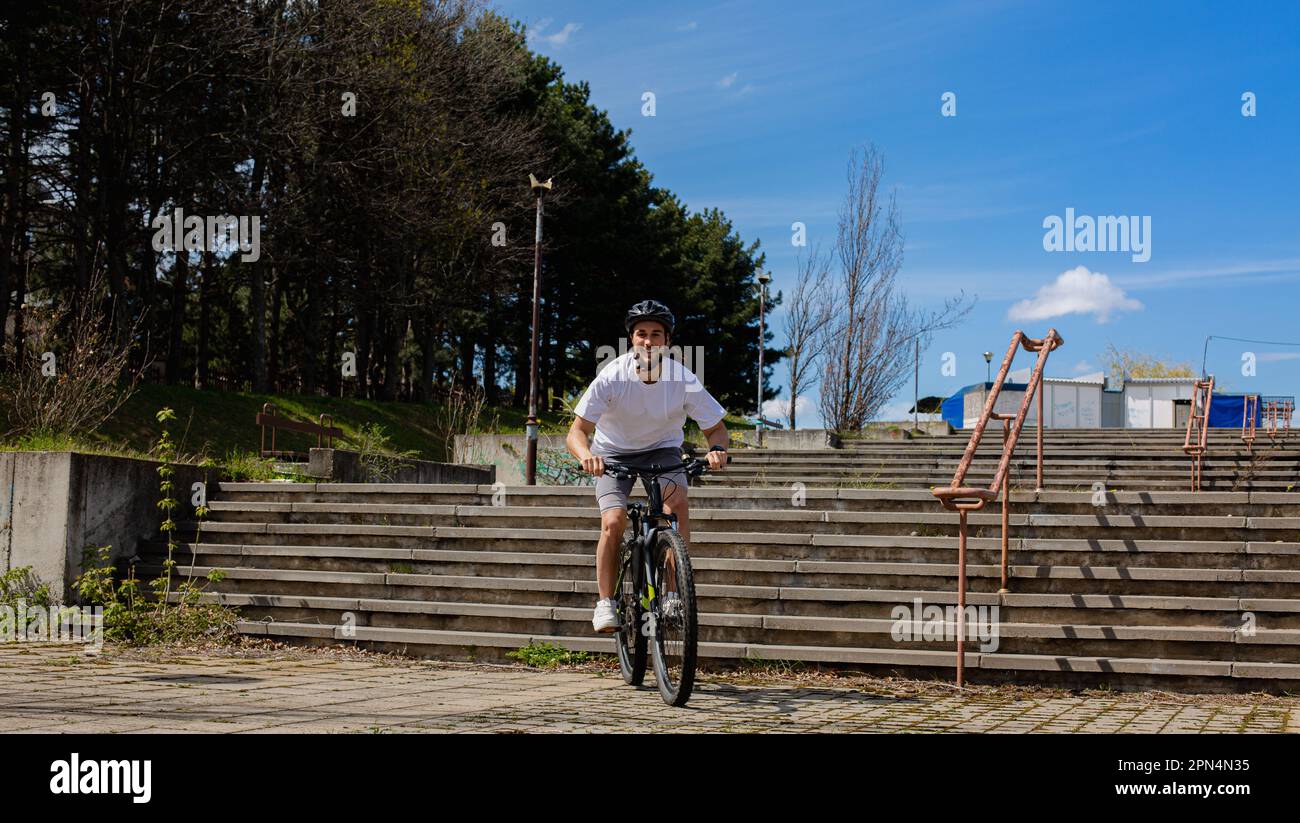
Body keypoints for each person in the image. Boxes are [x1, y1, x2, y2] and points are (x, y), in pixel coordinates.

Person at [565, 299, 730, 632]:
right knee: (613, 522)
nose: (649, 341)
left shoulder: (682, 379)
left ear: (667, 341)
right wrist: (587, 457)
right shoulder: (612, 375)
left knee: (677, 505)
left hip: (662, 451)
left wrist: (717, 450)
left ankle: (671, 595)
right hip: (612, 453)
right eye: (642, 334)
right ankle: (605, 603)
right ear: (631, 340)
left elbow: (717, 429)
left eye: (657, 334)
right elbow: (577, 432)